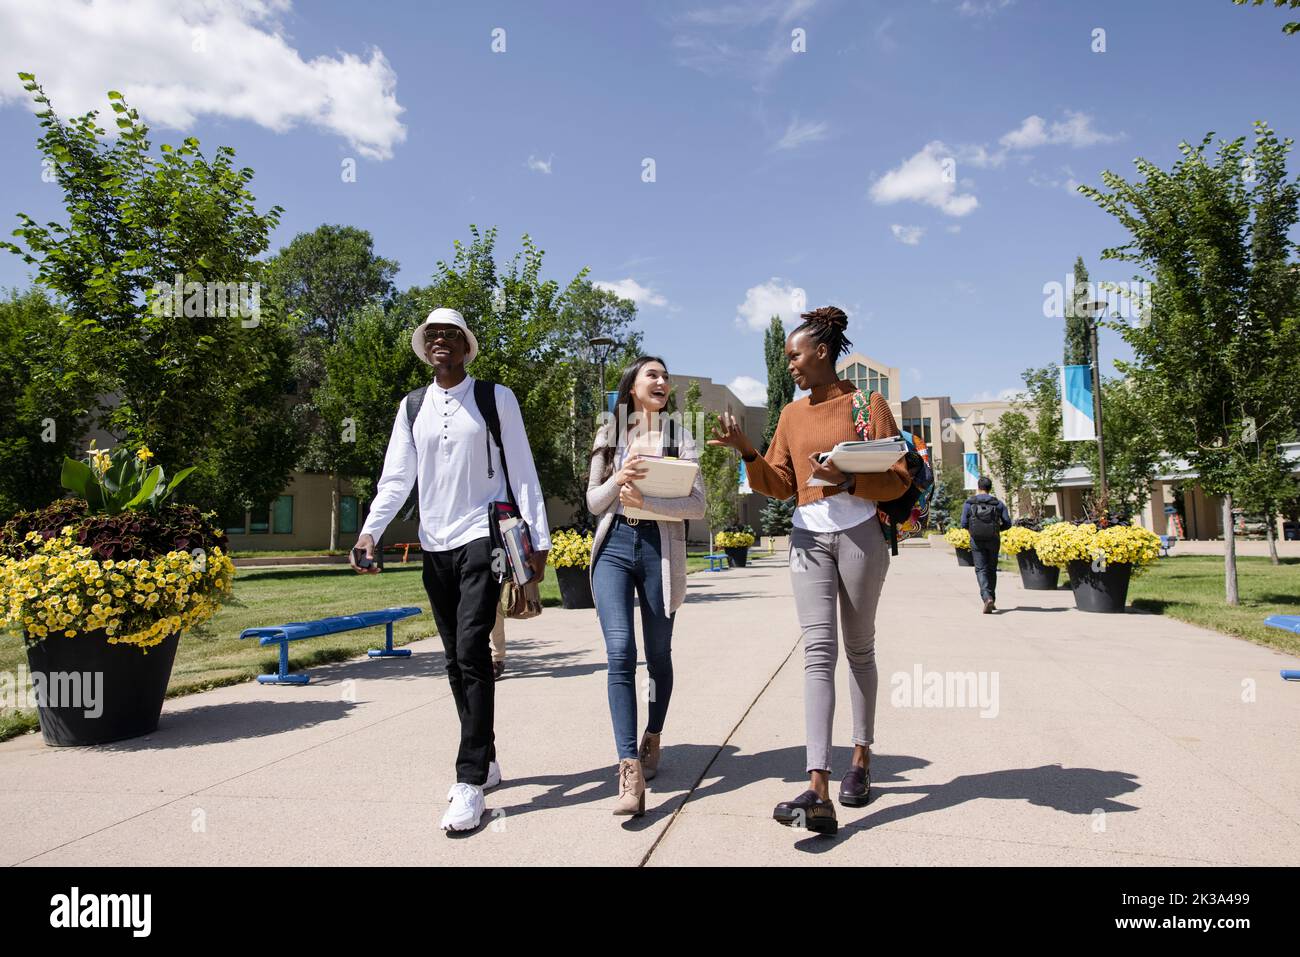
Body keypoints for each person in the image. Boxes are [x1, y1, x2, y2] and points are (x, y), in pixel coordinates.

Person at [351, 307, 551, 832]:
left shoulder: (494, 397)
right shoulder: (413, 405)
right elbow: (397, 477)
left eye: (451, 335)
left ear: (466, 347)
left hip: (484, 535)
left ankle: (468, 781)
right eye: (432, 335)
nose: (441, 341)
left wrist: (538, 542)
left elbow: (523, 470)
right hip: (434, 543)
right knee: (453, 659)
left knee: (470, 650)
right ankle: (485, 757)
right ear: (425, 348)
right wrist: (370, 531)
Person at [710, 306, 907, 836]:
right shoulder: (792, 415)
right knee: (818, 650)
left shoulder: (868, 405)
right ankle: (817, 786)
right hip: (807, 537)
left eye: (794, 355)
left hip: (861, 534)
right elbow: (778, 483)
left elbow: (897, 481)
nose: (790, 364)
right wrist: (748, 451)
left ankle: (861, 757)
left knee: (859, 648)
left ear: (821, 352)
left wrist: (844, 482)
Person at [587, 356, 705, 817]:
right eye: (651, 375)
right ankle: (629, 769)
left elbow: (696, 506)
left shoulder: (681, 436)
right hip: (614, 546)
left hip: (660, 550)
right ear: (632, 387)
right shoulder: (610, 433)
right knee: (620, 654)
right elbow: (595, 502)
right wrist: (620, 477)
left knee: (658, 656)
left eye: (664, 376)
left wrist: (649, 500)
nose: (661, 381)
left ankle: (652, 734)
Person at [961, 476, 1011, 614]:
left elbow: (964, 523)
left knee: (980, 569)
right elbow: (1007, 523)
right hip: (993, 539)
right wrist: (996, 530)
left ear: (978, 487)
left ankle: (986, 597)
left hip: (976, 540)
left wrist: (973, 530)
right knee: (991, 569)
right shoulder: (998, 504)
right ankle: (991, 599)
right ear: (990, 488)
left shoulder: (969, 503)